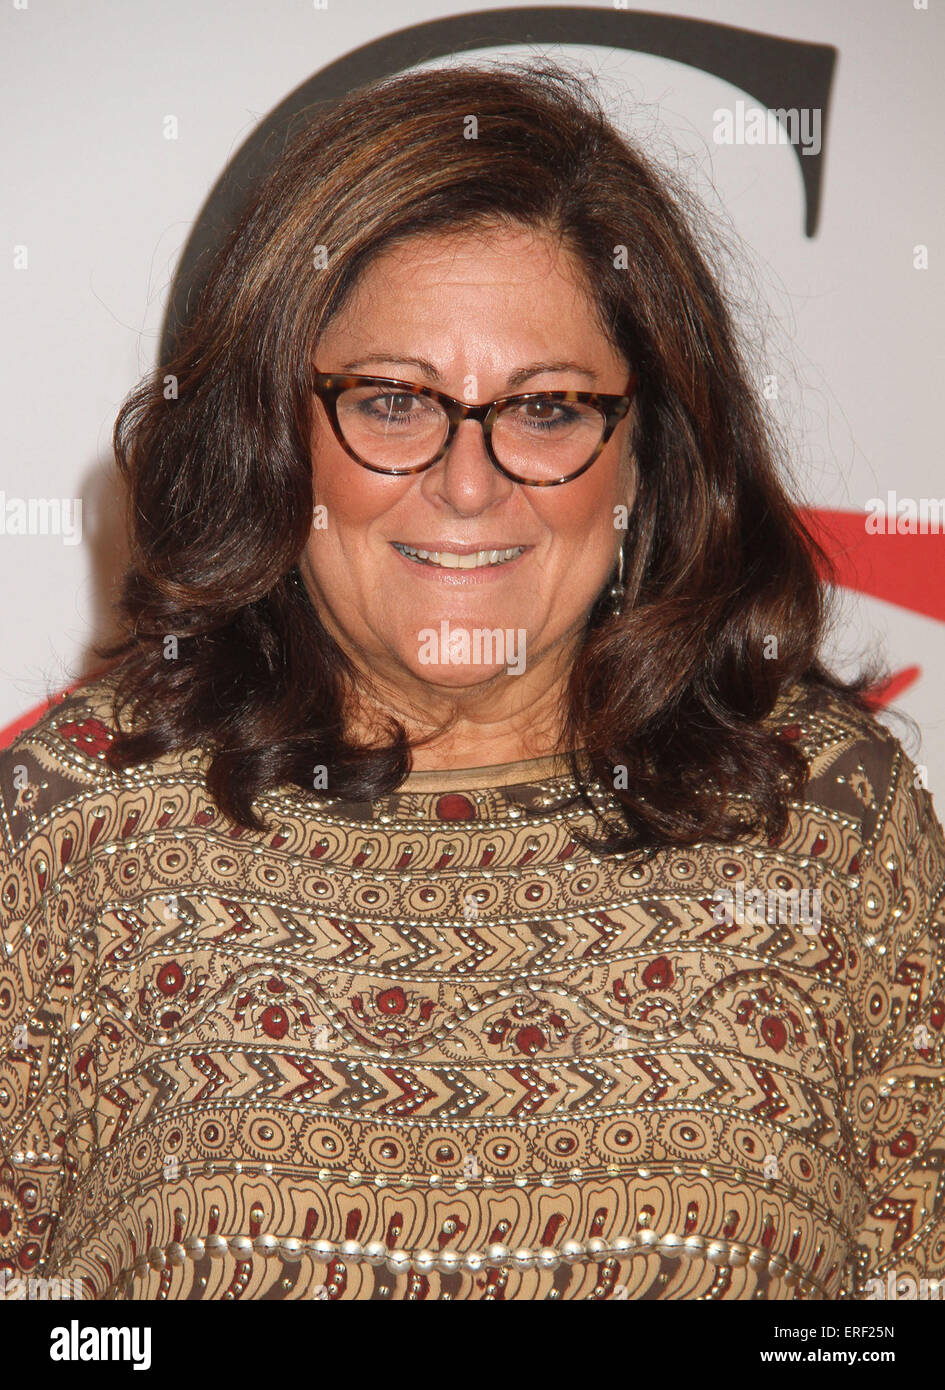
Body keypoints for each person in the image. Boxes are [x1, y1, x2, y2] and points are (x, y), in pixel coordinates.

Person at [1, 60, 943, 1302]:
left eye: (546, 409)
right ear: (272, 435)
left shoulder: (823, 813)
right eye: (392, 402)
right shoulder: (76, 824)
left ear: (645, 460)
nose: (467, 480)